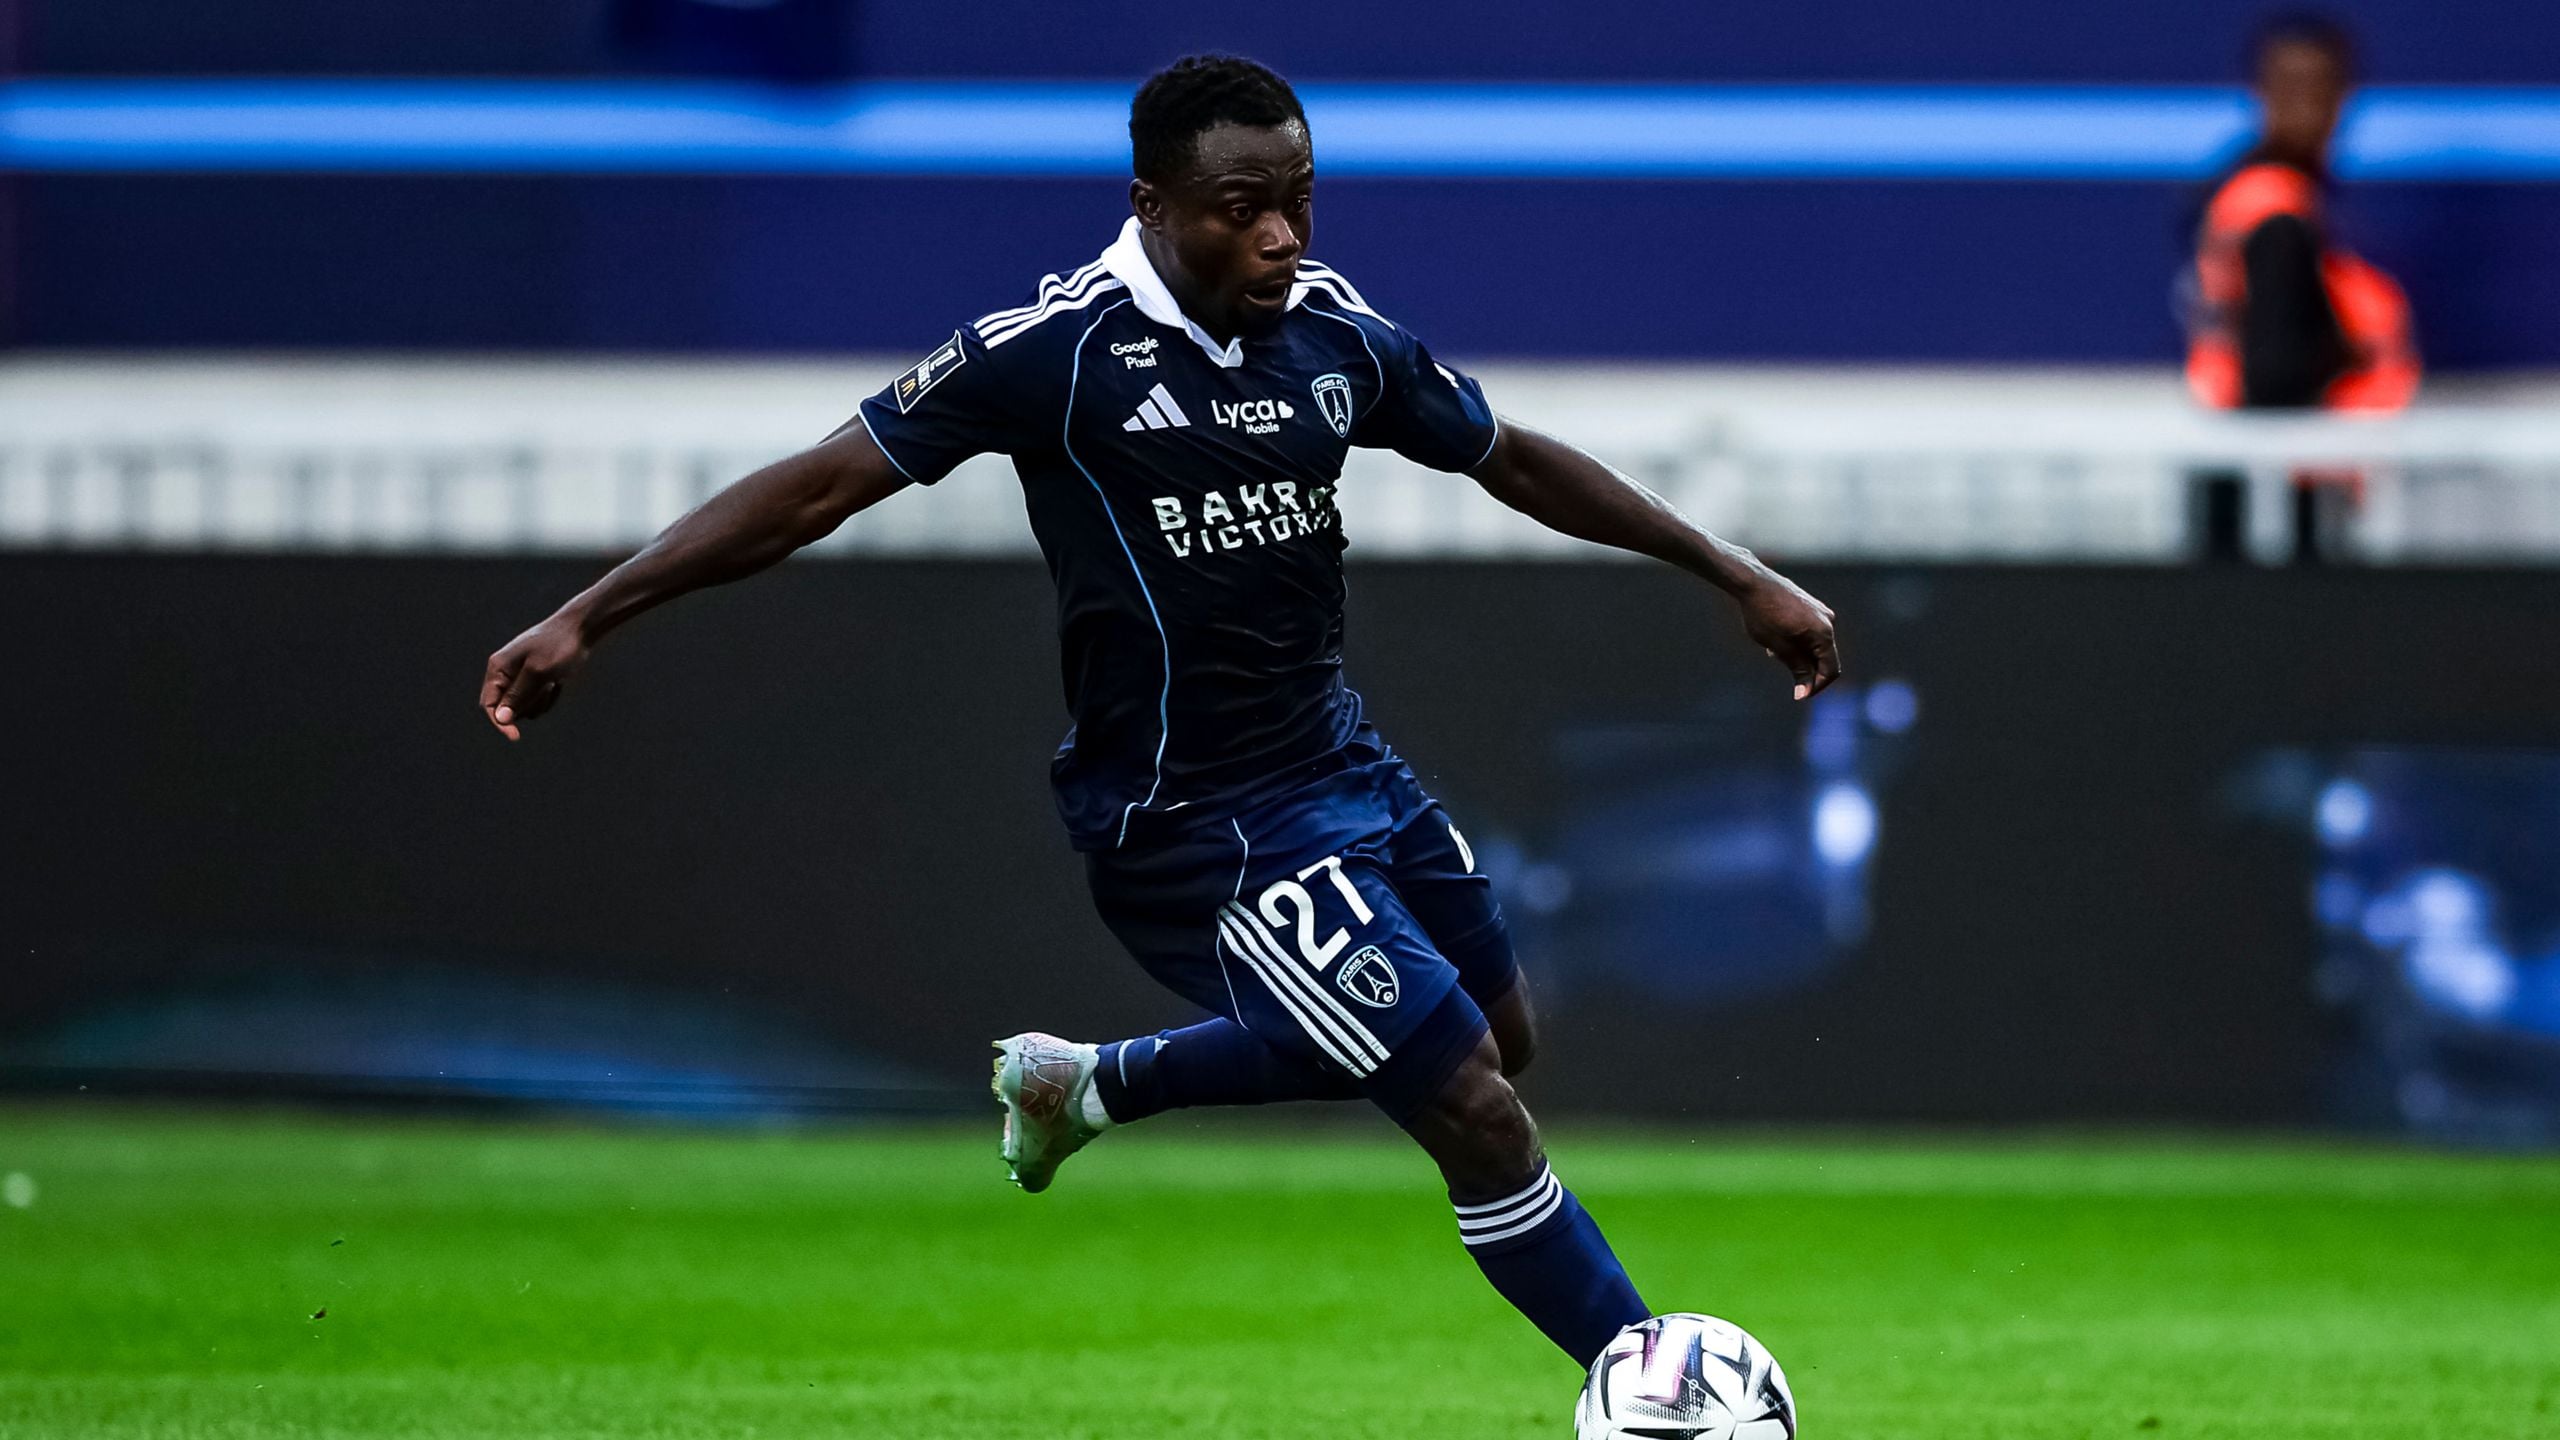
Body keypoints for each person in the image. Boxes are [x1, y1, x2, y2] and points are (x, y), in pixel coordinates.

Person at [478, 54, 1840, 1371]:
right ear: (1152, 206)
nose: (1279, 235)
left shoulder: (1329, 330)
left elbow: (1511, 457)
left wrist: (1730, 571)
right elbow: (817, 487)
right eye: (1239, 208)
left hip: (1342, 761)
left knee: (1504, 1037)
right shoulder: (1053, 355)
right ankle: (1657, 1383)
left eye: (1299, 198)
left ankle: (1088, 1085)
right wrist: (589, 611)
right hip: (1200, 819)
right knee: (1472, 1106)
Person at [2185, 13, 2417, 412]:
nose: (2307, 106)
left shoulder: (2276, 197)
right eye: (2290, 87)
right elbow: (2276, 376)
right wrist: (2351, 357)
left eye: (2322, 86)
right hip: (2294, 462)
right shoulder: (2274, 211)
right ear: (2260, 91)